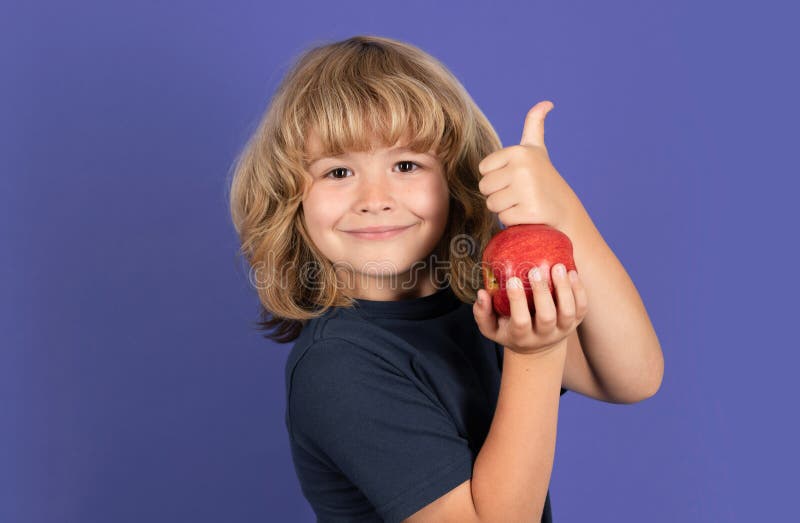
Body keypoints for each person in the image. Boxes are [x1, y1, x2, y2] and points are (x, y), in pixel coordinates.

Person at [227, 35, 664, 523]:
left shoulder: (477, 295)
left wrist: (562, 214)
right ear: (292, 198)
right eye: (338, 172)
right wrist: (535, 354)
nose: (375, 197)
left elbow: (633, 376)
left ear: (455, 181)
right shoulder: (337, 366)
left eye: (406, 164)